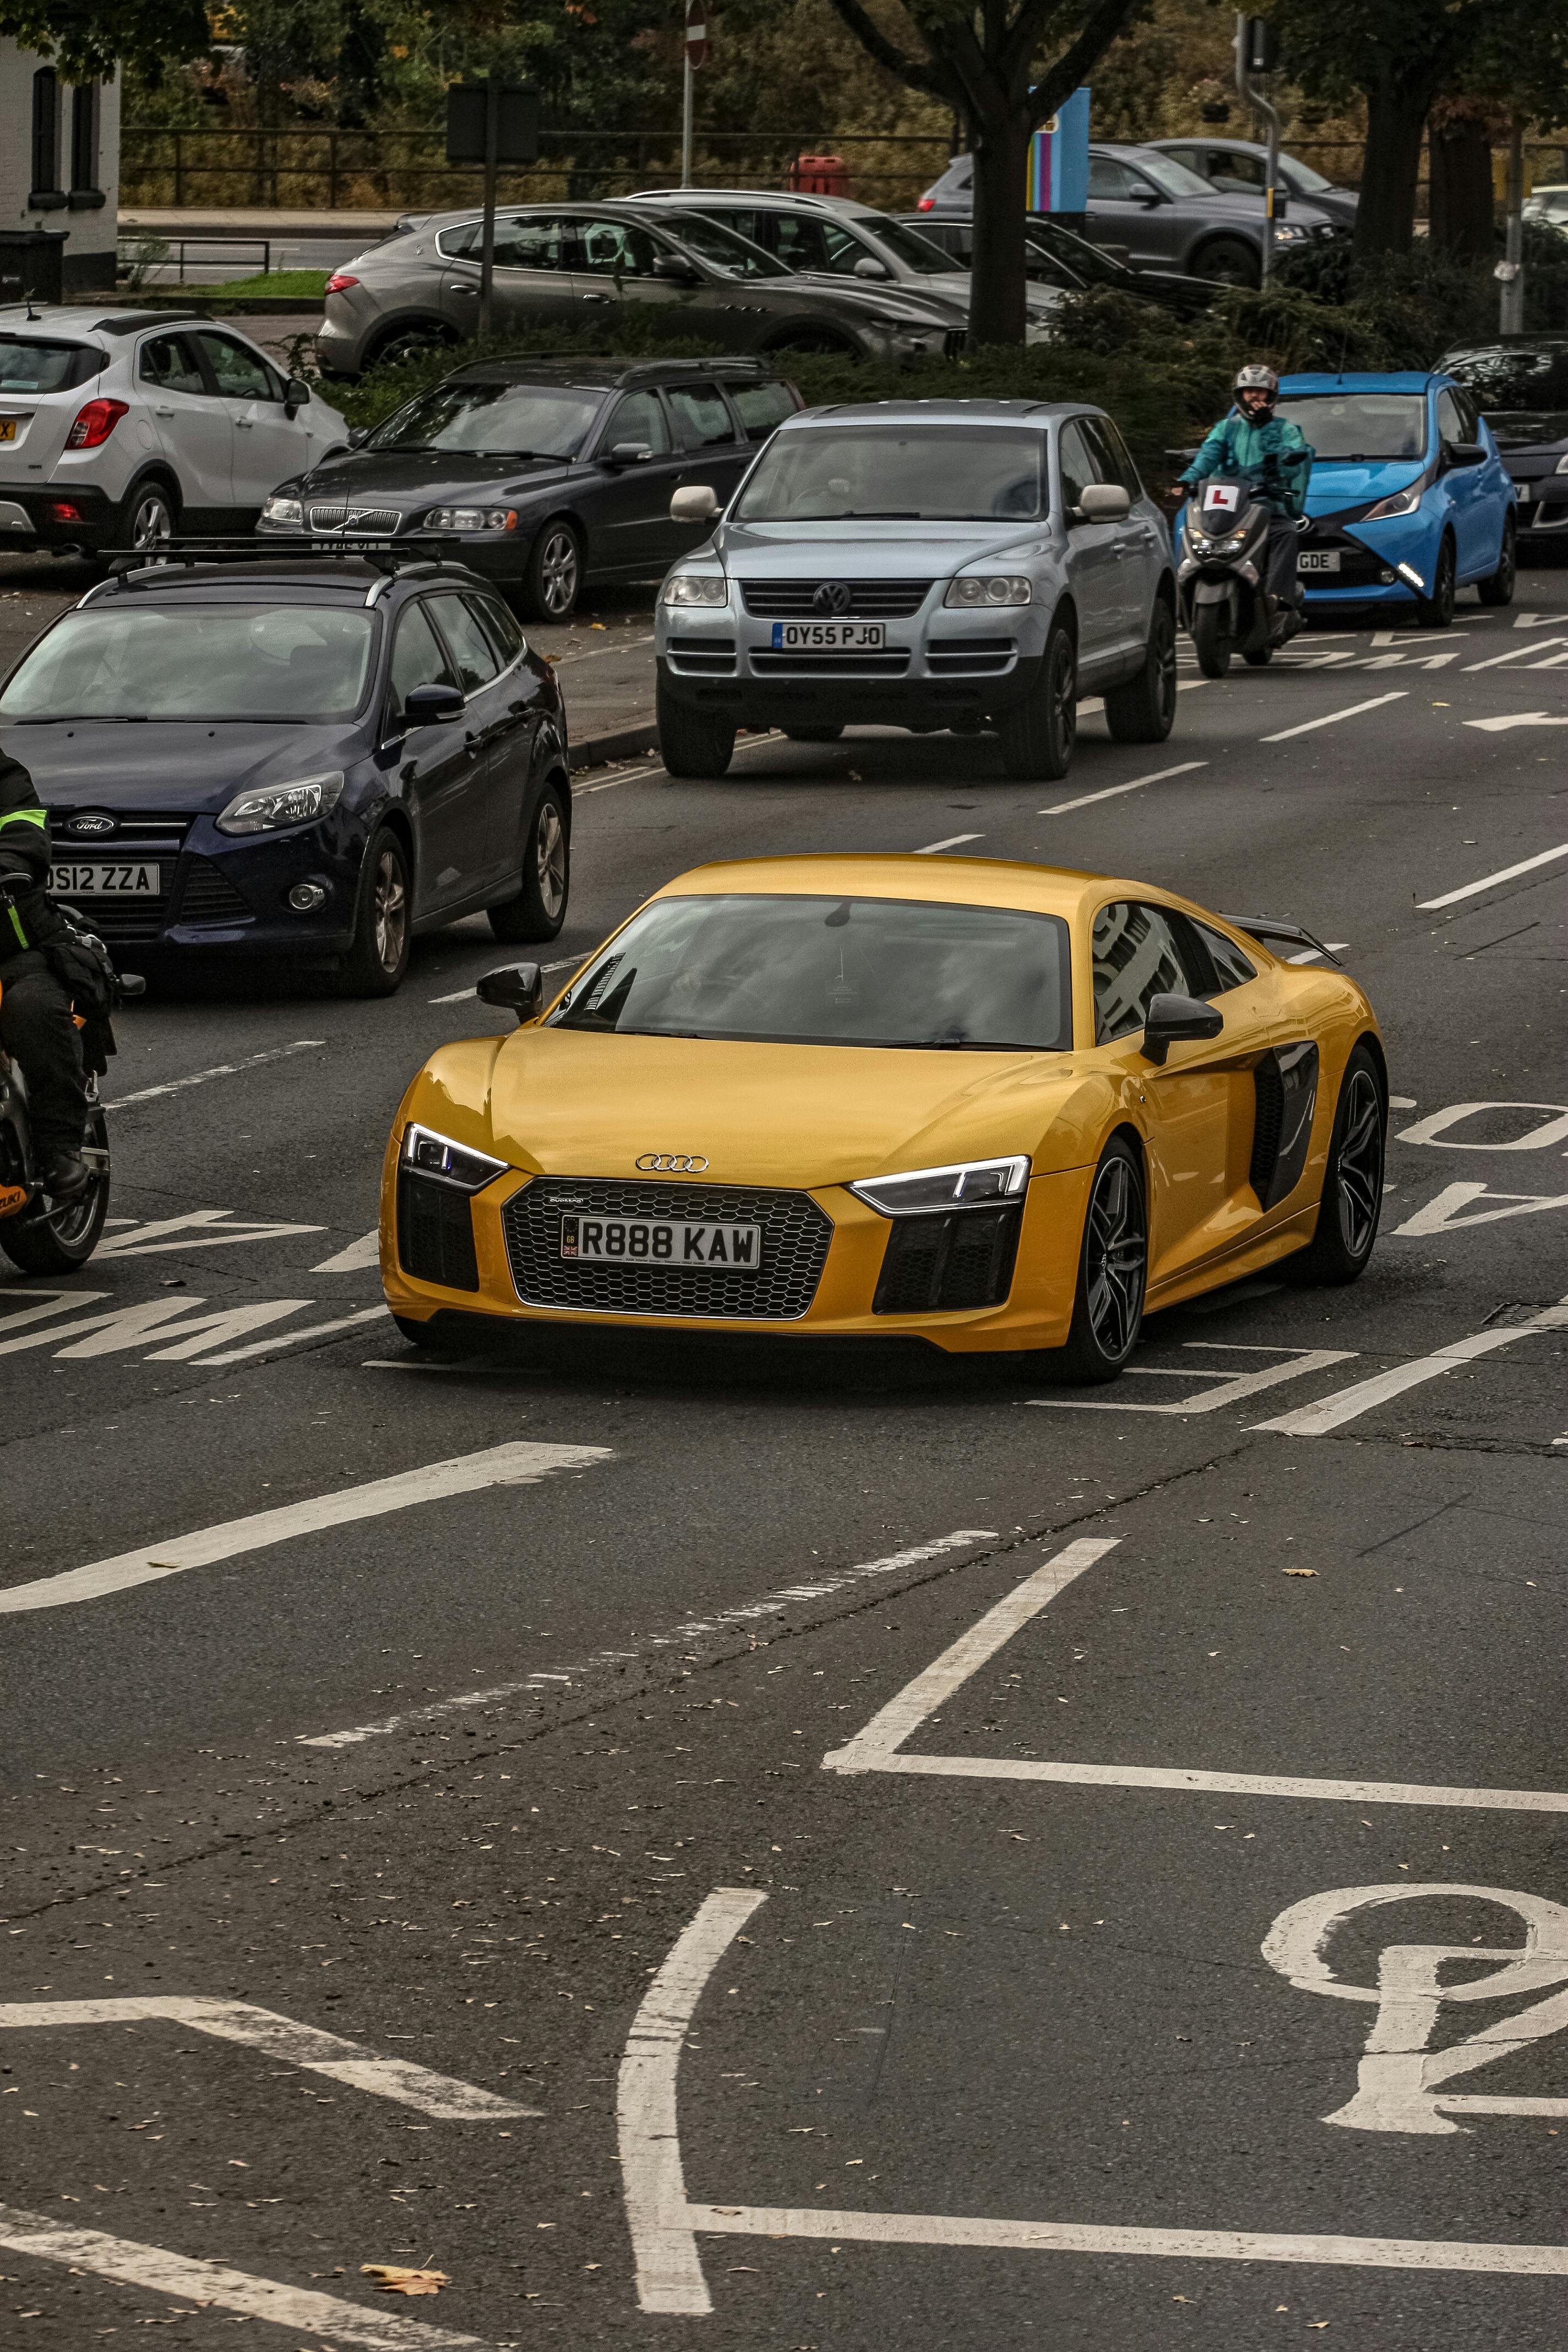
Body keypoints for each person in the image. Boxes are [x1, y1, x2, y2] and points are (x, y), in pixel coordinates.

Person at [0, 749, 90, 1200]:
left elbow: (25, 831)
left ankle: (59, 1147)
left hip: (13, 946)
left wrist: (9, 864)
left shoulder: (5, 775)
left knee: (31, 1010)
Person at [1179, 363, 1314, 623]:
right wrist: (1189, 478)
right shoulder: (1225, 428)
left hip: (1268, 503)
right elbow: (1209, 454)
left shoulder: (1285, 429)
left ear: (1271, 396)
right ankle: (1184, 591)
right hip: (1227, 507)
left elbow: (1292, 457)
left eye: (1260, 392)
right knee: (1191, 530)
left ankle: (1278, 598)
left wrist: (1271, 434)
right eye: (1248, 391)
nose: (1254, 397)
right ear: (1239, 395)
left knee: (1286, 532)